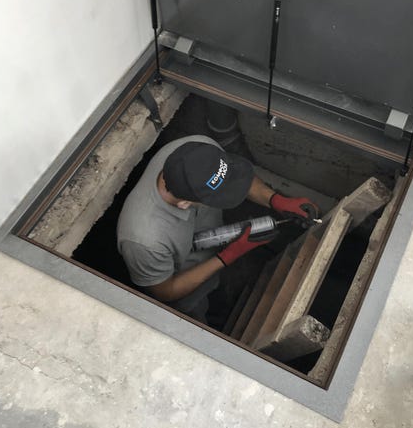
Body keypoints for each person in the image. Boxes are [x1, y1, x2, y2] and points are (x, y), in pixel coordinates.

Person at [117, 135, 319, 320]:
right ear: (185, 203)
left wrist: (275, 200)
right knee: (196, 311)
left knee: (219, 290)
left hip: (211, 248)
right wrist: (229, 255)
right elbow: (166, 290)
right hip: (187, 283)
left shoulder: (198, 150)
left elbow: (236, 178)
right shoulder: (144, 240)